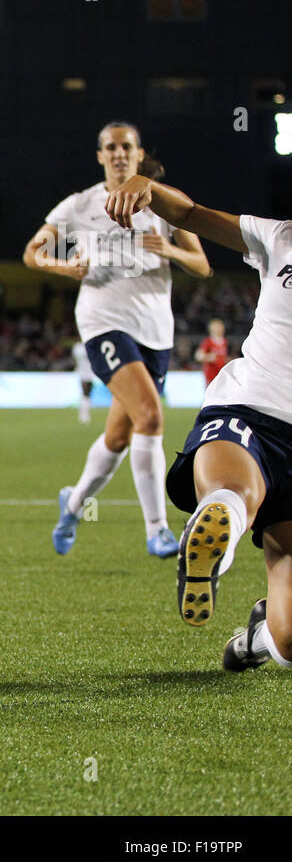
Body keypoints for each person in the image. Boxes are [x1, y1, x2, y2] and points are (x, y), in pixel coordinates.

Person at [106, 174, 292, 670]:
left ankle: (255, 640)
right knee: (232, 492)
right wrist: (147, 185)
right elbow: (189, 215)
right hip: (250, 406)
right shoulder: (281, 236)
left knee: (289, 641)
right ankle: (215, 539)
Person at [23, 121, 211, 558]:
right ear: (100, 155)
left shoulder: (163, 204)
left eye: (127, 146)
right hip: (103, 321)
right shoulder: (80, 205)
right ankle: (158, 530)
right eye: (111, 147)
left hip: (155, 331)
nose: (119, 153)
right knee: (150, 416)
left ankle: (72, 504)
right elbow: (33, 253)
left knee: (121, 435)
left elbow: (202, 265)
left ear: (140, 154)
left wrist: (171, 251)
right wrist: (63, 267)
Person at [195, 318, 230, 387]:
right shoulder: (208, 342)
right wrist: (209, 357)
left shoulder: (224, 341)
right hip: (211, 374)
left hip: (221, 373)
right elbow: (198, 356)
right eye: (217, 326)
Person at [71, 339, 94, 425]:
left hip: (89, 372)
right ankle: (84, 414)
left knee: (87, 394)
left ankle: (84, 413)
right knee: (85, 393)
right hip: (83, 372)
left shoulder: (78, 347)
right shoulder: (81, 347)